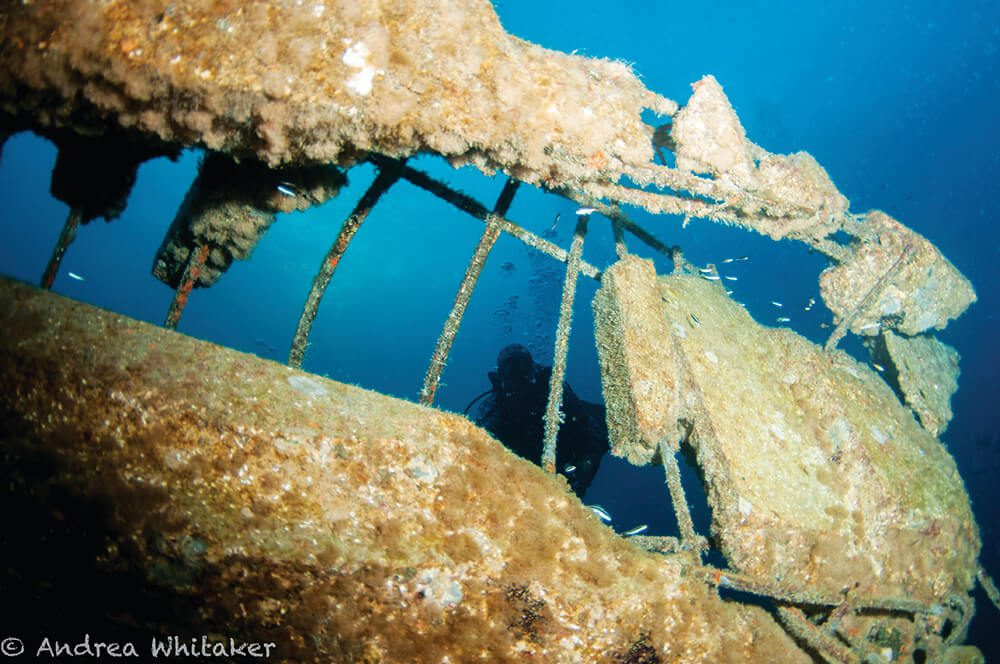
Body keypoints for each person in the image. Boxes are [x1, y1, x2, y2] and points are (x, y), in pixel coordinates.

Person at [469, 344, 608, 498]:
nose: (518, 375)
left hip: (566, 462)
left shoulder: (555, 392)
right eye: (510, 370)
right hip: (523, 477)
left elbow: (592, 432)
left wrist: (584, 469)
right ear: (501, 375)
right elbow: (481, 449)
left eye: (522, 366)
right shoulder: (494, 406)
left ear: (531, 368)